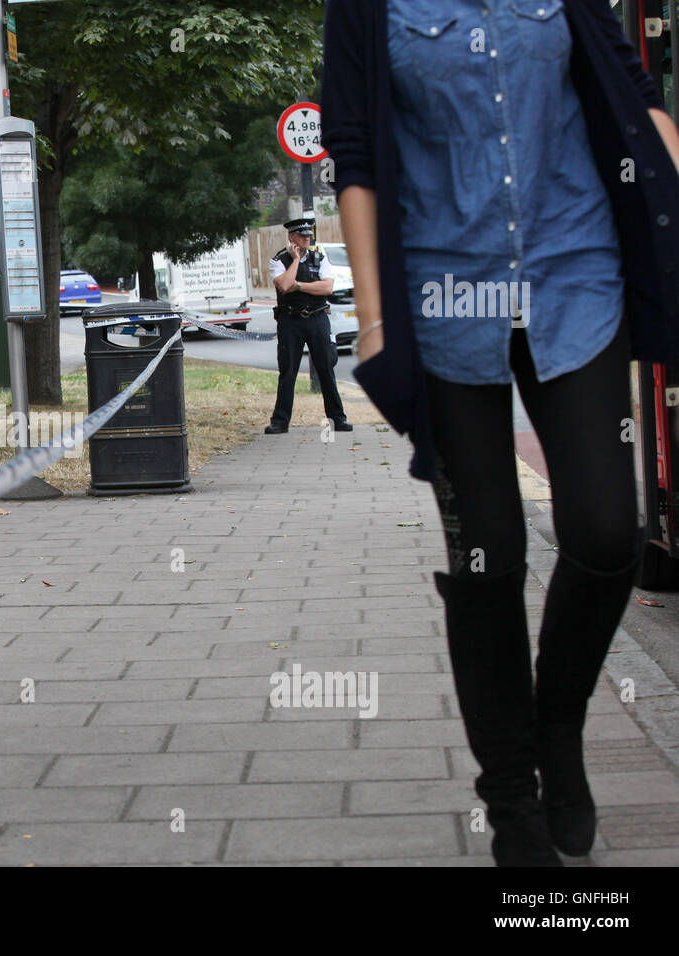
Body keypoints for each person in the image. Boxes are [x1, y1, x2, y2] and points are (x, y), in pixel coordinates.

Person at [323, 0, 679, 866]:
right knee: (488, 549)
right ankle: (510, 796)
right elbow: (359, 161)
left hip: (575, 269)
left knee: (603, 530)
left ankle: (556, 734)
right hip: (444, 288)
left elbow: (636, 98)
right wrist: (374, 325)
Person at [264, 218, 353, 434]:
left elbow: (327, 288)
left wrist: (300, 286)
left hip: (317, 318)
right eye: (302, 236)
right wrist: (295, 261)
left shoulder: (319, 259)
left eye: (308, 236)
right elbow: (285, 285)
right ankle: (280, 421)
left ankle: (337, 418)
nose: (307, 239)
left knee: (326, 368)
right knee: (288, 370)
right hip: (290, 320)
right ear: (291, 237)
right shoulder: (279, 261)